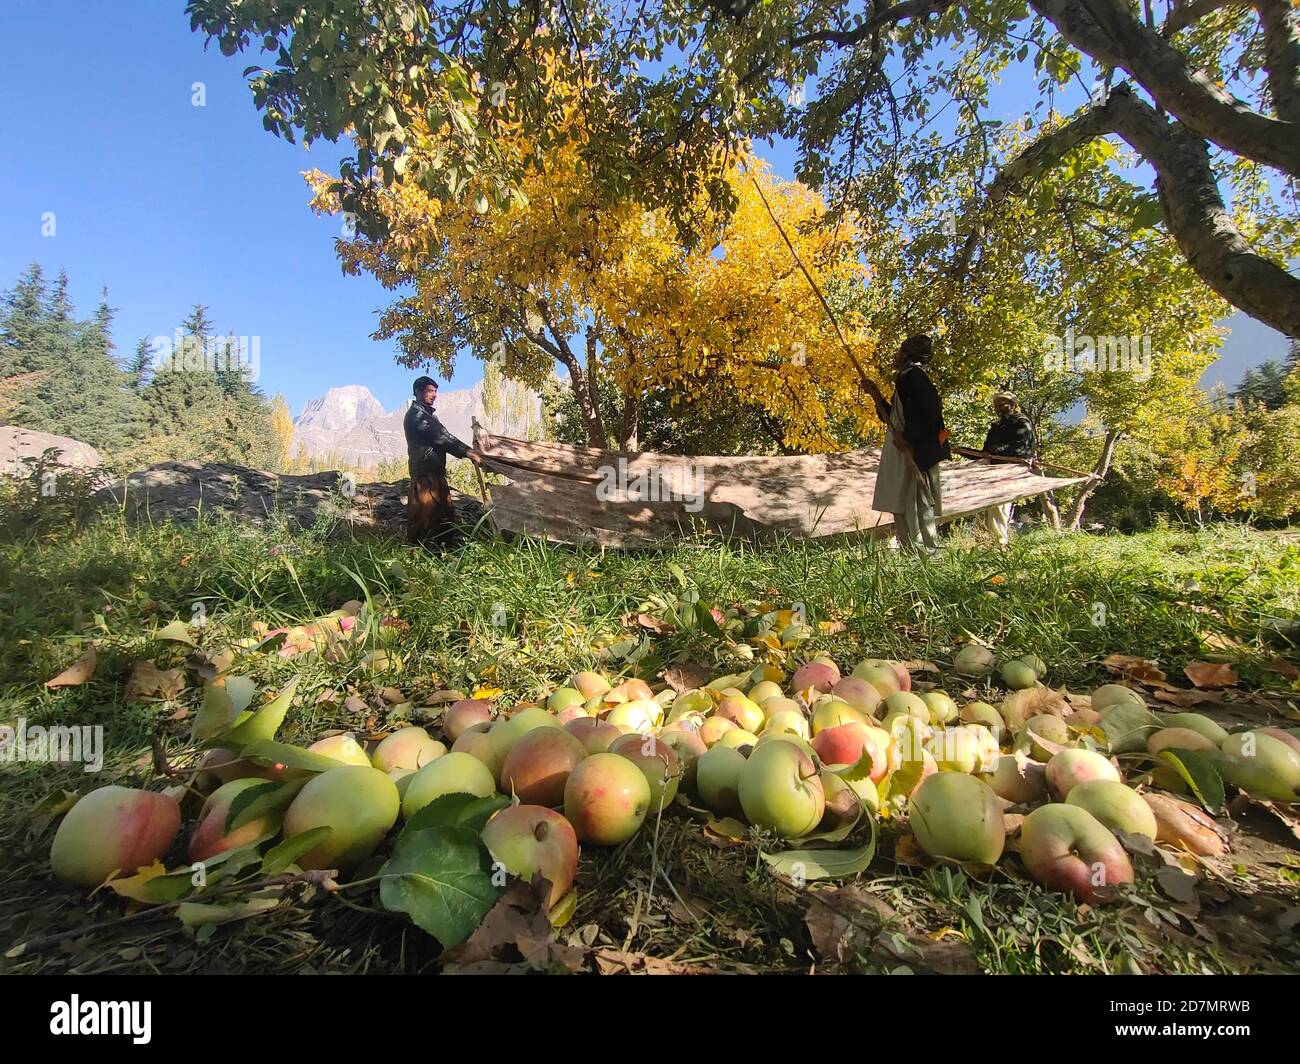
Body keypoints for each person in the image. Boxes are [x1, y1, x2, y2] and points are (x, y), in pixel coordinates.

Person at [870, 335, 951, 552]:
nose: (896, 355)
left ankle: (924, 553)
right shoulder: (906, 379)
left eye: (899, 351)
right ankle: (913, 552)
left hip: (915, 452)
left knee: (915, 504)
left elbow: (930, 412)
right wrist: (876, 396)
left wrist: (908, 437)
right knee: (903, 502)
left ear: (906, 354)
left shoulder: (914, 377)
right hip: (905, 449)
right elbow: (895, 418)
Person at [403, 375, 481, 546]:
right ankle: (418, 559)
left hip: (436, 474)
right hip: (425, 476)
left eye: (435, 391)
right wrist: (467, 452)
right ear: (418, 392)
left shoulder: (429, 416)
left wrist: (467, 450)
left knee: (444, 518)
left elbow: (445, 436)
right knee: (424, 518)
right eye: (430, 391)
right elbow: (441, 438)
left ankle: (442, 557)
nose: (434, 394)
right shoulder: (416, 416)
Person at [979, 392, 1037, 546]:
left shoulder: (1021, 422)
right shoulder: (996, 427)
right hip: (993, 472)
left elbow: (1020, 447)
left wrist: (993, 451)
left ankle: (1000, 545)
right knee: (991, 507)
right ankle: (991, 544)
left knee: (1000, 506)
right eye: (996, 404)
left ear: (1012, 405)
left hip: (1011, 470)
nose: (998, 407)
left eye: (1002, 403)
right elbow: (985, 453)